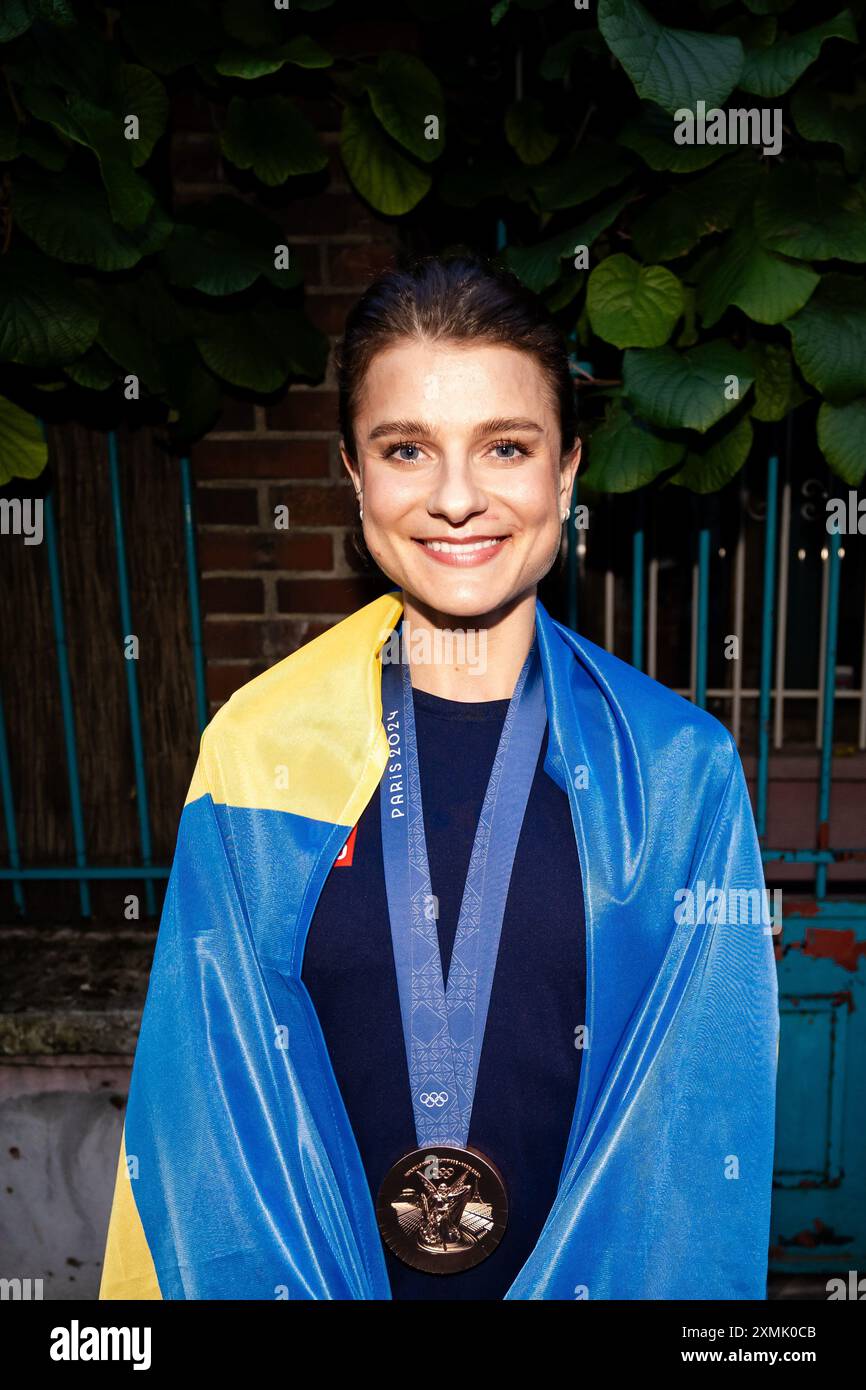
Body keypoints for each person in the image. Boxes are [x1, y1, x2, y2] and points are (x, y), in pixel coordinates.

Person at [99, 251, 779, 1301]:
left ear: (564, 471)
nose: (456, 498)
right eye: (406, 448)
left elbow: (690, 1155)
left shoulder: (676, 771)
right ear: (352, 475)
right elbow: (211, 1131)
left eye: (504, 446)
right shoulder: (260, 751)